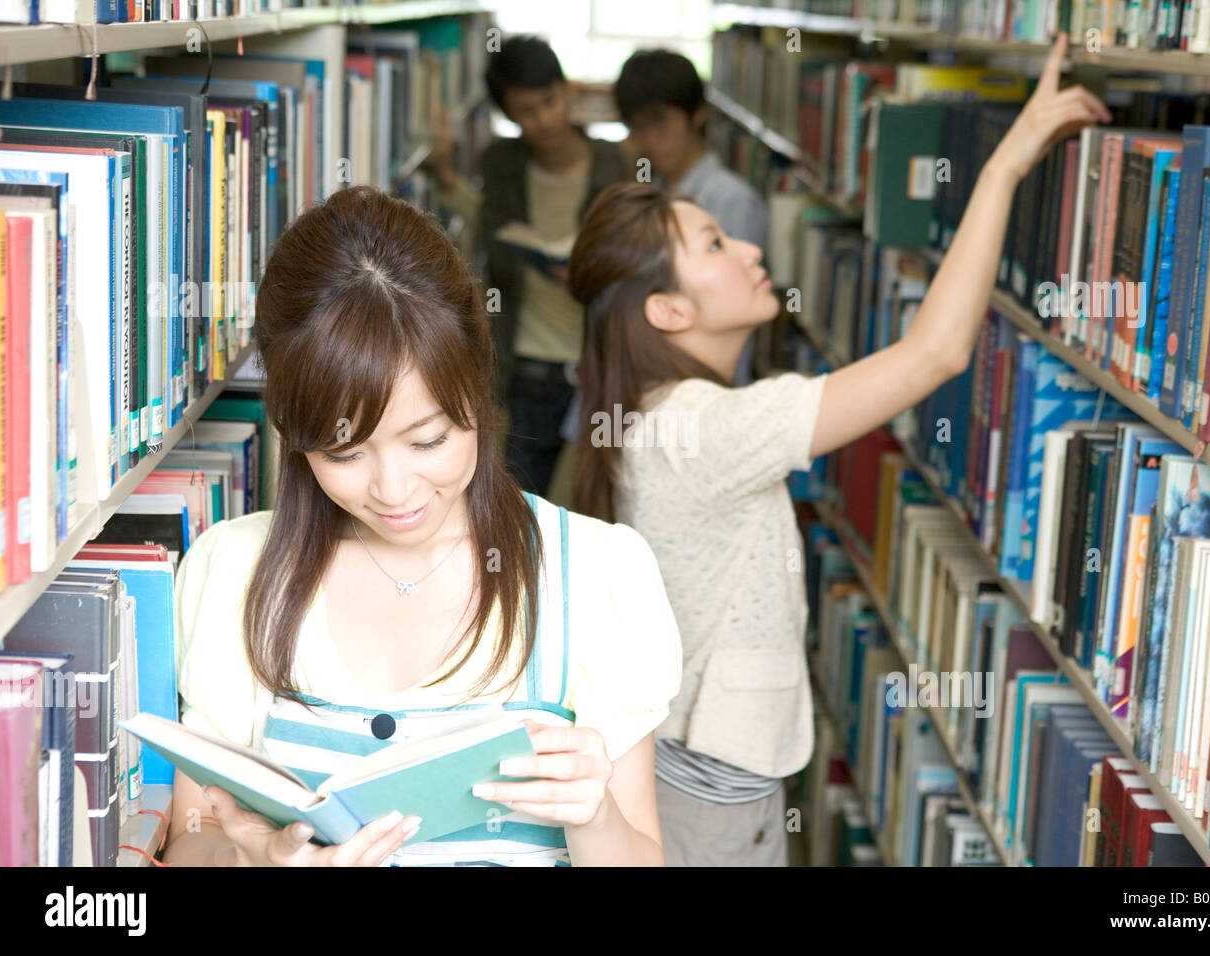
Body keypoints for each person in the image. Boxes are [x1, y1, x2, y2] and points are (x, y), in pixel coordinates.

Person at [567, 34, 1109, 866]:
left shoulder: (655, 415)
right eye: (714, 245)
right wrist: (1003, 167)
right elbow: (937, 353)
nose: (750, 250)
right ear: (668, 313)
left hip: (692, 772)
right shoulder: (706, 428)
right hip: (714, 796)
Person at [162, 186, 682, 867]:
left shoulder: (596, 573)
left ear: (478, 388)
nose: (394, 490)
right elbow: (193, 835)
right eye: (344, 453)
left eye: (429, 440)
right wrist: (256, 858)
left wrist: (595, 815)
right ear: (292, 434)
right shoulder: (237, 570)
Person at [432, 35, 627, 497]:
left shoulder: (613, 162)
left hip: (598, 359)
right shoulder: (502, 162)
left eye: (550, 101)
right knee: (522, 496)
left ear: (567, 91)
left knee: (590, 500)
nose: (543, 120)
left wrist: (590, 265)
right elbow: (491, 229)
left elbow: (634, 251)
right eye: (525, 111)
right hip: (529, 362)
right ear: (507, 114)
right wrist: (444, 176)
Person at [614, 47, 766, 388]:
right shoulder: (650, 187)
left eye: (660, 122)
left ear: (697, 114)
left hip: (703, 387)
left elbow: (735, 311)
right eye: (637, 128)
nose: (649, 140)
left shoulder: (732, 201)